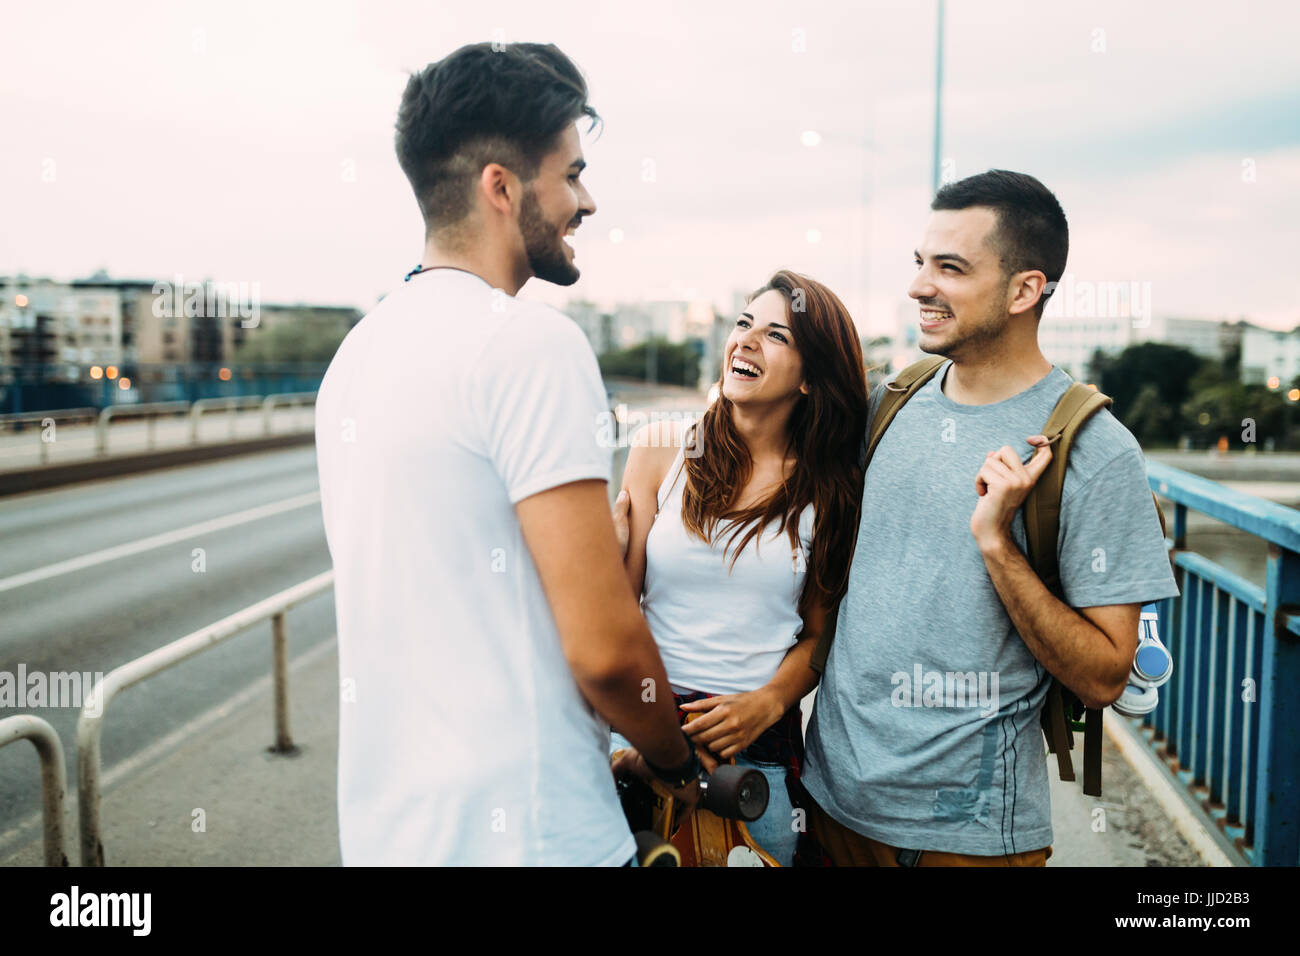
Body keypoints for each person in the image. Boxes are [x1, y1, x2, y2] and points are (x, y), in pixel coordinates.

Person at [314, 41, 701, 867]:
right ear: (502, 186)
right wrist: (677, 762)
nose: (586, 201)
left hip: (392, 839)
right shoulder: (529, 345)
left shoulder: (356, 356)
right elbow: (605, 651)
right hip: (535, 835)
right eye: (571, 174)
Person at [799, 170, 1180, 866]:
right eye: (920, 262)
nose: (919, 286)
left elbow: (1104, 677)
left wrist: (997, 546)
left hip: (972, 840)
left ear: (1024, 290)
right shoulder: (890, 403)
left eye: (950, 268)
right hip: (831, 807)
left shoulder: (1094, 450)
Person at [611, 270, 868, 865]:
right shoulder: (660, 450)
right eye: (744, 323)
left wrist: (769, 702)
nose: (746, 341)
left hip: (753, 761)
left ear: (810, 378)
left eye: (776, 335)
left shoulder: (831, 492)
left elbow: (817, 634)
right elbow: (619, 615)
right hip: (641, 741)